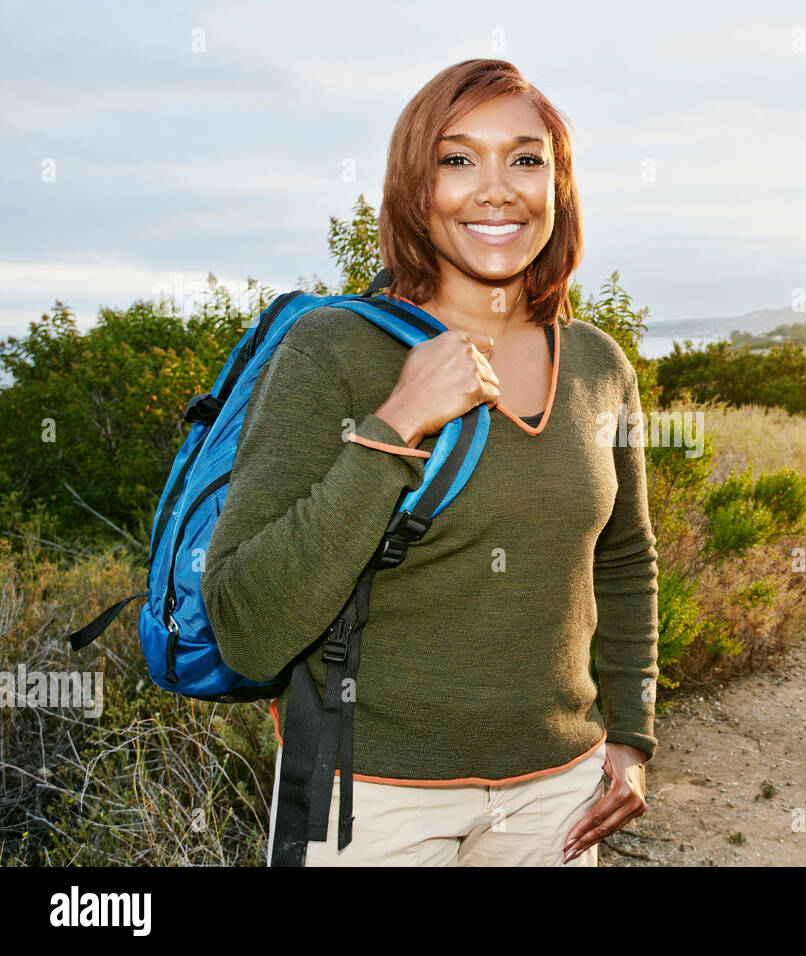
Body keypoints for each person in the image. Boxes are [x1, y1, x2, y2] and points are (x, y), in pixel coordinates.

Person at [202, 58, 659, 866]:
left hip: (557, 798)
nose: (496, 189)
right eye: (457, 160)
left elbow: (625, 559)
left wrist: (630, 735)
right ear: (416, 188)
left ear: (559, 187)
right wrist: (395, 425)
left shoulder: (598, 366)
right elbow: (245, 622)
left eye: (526, 159)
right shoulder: (334, 351)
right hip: (369, 801)